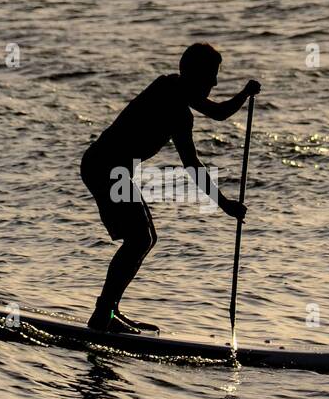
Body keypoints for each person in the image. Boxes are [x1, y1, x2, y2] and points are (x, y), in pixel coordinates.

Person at [80, 43, 260, 333]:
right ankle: (103, 315)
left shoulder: (181, 116)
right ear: (193, 74)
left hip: (113, 170)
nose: (214, 83)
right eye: (211, 75)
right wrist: (244, 93)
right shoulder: (168, 89)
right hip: (102, 167)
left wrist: (224, 205)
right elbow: (218, 114)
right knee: (139, 238)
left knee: (146, 238)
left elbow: (193, 166)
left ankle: (109, 310)